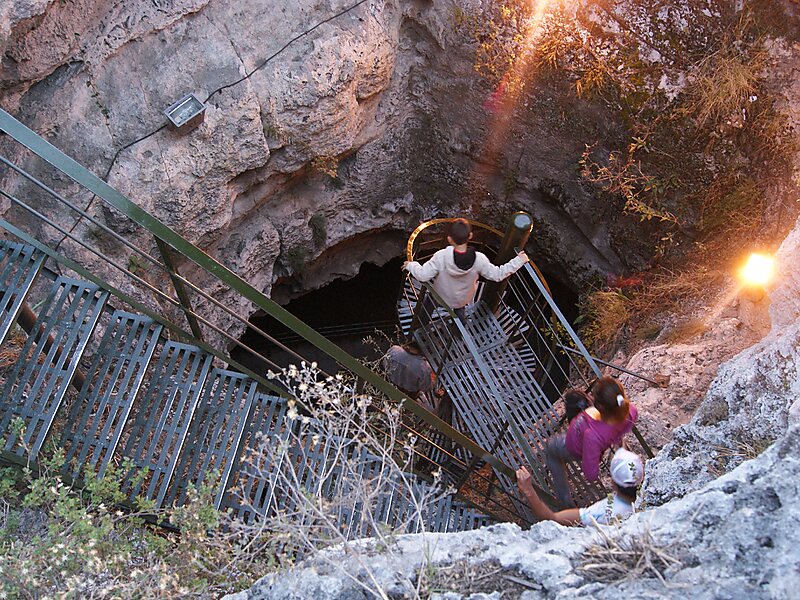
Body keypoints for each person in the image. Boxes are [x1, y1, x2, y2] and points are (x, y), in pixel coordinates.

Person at [403, 218, 528, 326]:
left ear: (449, 239)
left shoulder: (441, 257)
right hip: (462, 299)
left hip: (440, 295)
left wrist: (411, 265)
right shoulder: (480, 259)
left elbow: (423, 275)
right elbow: (498, 275)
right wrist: (518, 261)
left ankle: (420, 325)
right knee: (460, 312)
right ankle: (459, 331)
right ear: (470, 236)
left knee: (427, 306)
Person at [545, 376, 638, 507]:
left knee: (551, 448)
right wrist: (616, 438)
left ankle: (565, 501)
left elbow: (591, 474)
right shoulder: (631, 411)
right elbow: (625, 426)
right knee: (575, 397)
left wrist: (591, 452)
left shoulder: (592, 436)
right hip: (594, 434)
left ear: (599, 405)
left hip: (574, 447)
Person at [516, 447, 645, 526]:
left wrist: (528, 490)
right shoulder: (647, 497)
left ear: (612, 482)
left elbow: (552, 518)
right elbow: (631, 473)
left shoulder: (600, 513)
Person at [381, 342, 444, 416]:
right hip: (410, 393)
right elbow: (426, 387)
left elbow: (384, 363)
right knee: (430, 413)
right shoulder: (424, 368)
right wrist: (434, 378)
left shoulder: (394, 350)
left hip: (389, 383)